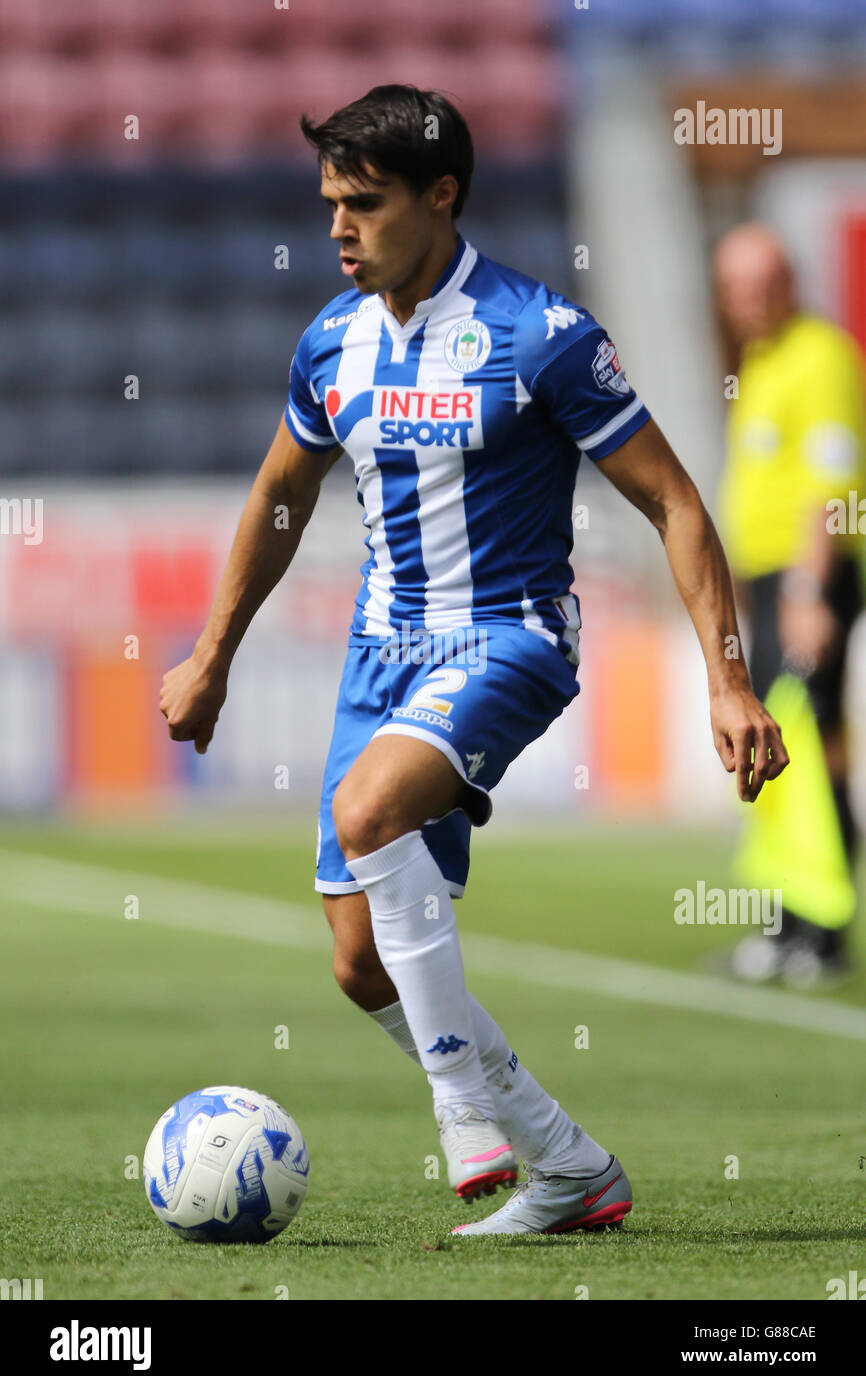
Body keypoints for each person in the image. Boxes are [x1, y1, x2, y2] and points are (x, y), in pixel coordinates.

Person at [160, 86, 787, 1236]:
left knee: (364, 807)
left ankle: (462, 1108)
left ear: (440, 196)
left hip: (507, 635)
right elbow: (280, 496)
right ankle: (570, 1166)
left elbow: (675, 503)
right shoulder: (329, 341)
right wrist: (212, 656)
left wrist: (729, 677)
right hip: (376, 656)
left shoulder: (540, 336)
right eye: (329, 205)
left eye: (365, 203)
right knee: (359, 964)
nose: (338, 228)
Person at [714, 223, 865, 985]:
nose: (746, 302)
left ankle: (824, 932)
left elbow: (829, 484)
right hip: (770, 584)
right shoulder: (761, 362)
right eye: (734, 288)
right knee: (773, 750)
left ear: (790, 280)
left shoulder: (822, 356)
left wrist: (808, 590)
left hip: (811, 578)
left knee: (816, 742)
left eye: (759, 285)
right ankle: (782, 921)